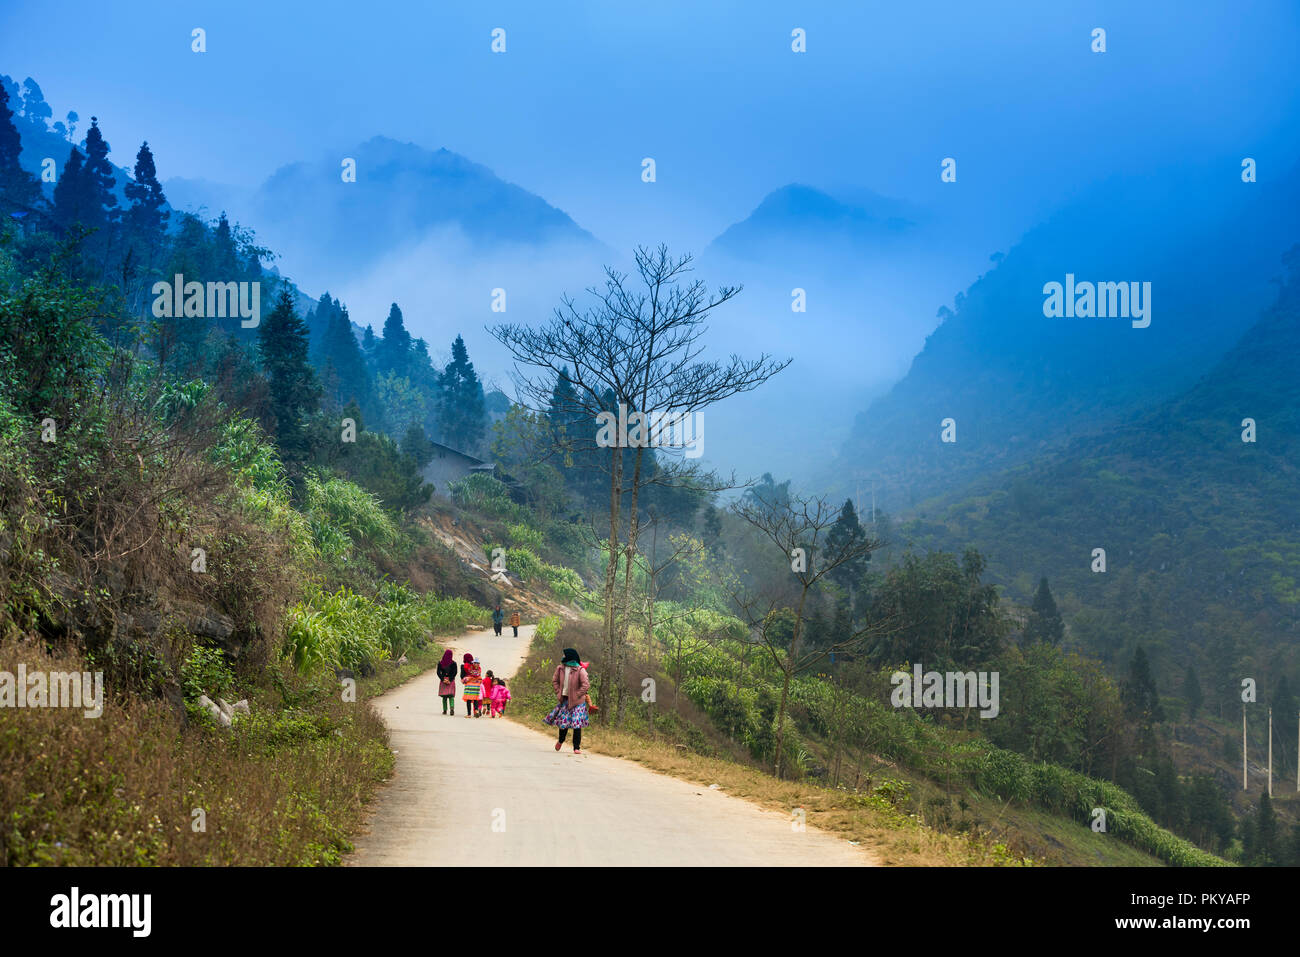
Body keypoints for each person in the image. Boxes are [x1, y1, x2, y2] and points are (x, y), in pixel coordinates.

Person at [544, 648, 589, 753]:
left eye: (564, 655)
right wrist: (558, 691)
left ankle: (576, 747)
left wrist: (577, 694)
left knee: (577, 724)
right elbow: (555, 680)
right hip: (565, 700)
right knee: (563, 723)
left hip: (578, 702)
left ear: (570, 656)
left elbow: (586, 685)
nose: (563, 657)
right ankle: (560, 740)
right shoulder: (560, 668)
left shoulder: (580, 670)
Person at [436, 649, 457, 715]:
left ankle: (445, 710)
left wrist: (443, 679)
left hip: (443, 681)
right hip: (451, 681)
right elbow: (455, 673)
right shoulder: (453, 663)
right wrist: (450, 680)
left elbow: (438, 672)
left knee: (444, 696)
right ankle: (452, 707)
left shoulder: (440, 663)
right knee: (451, 696)